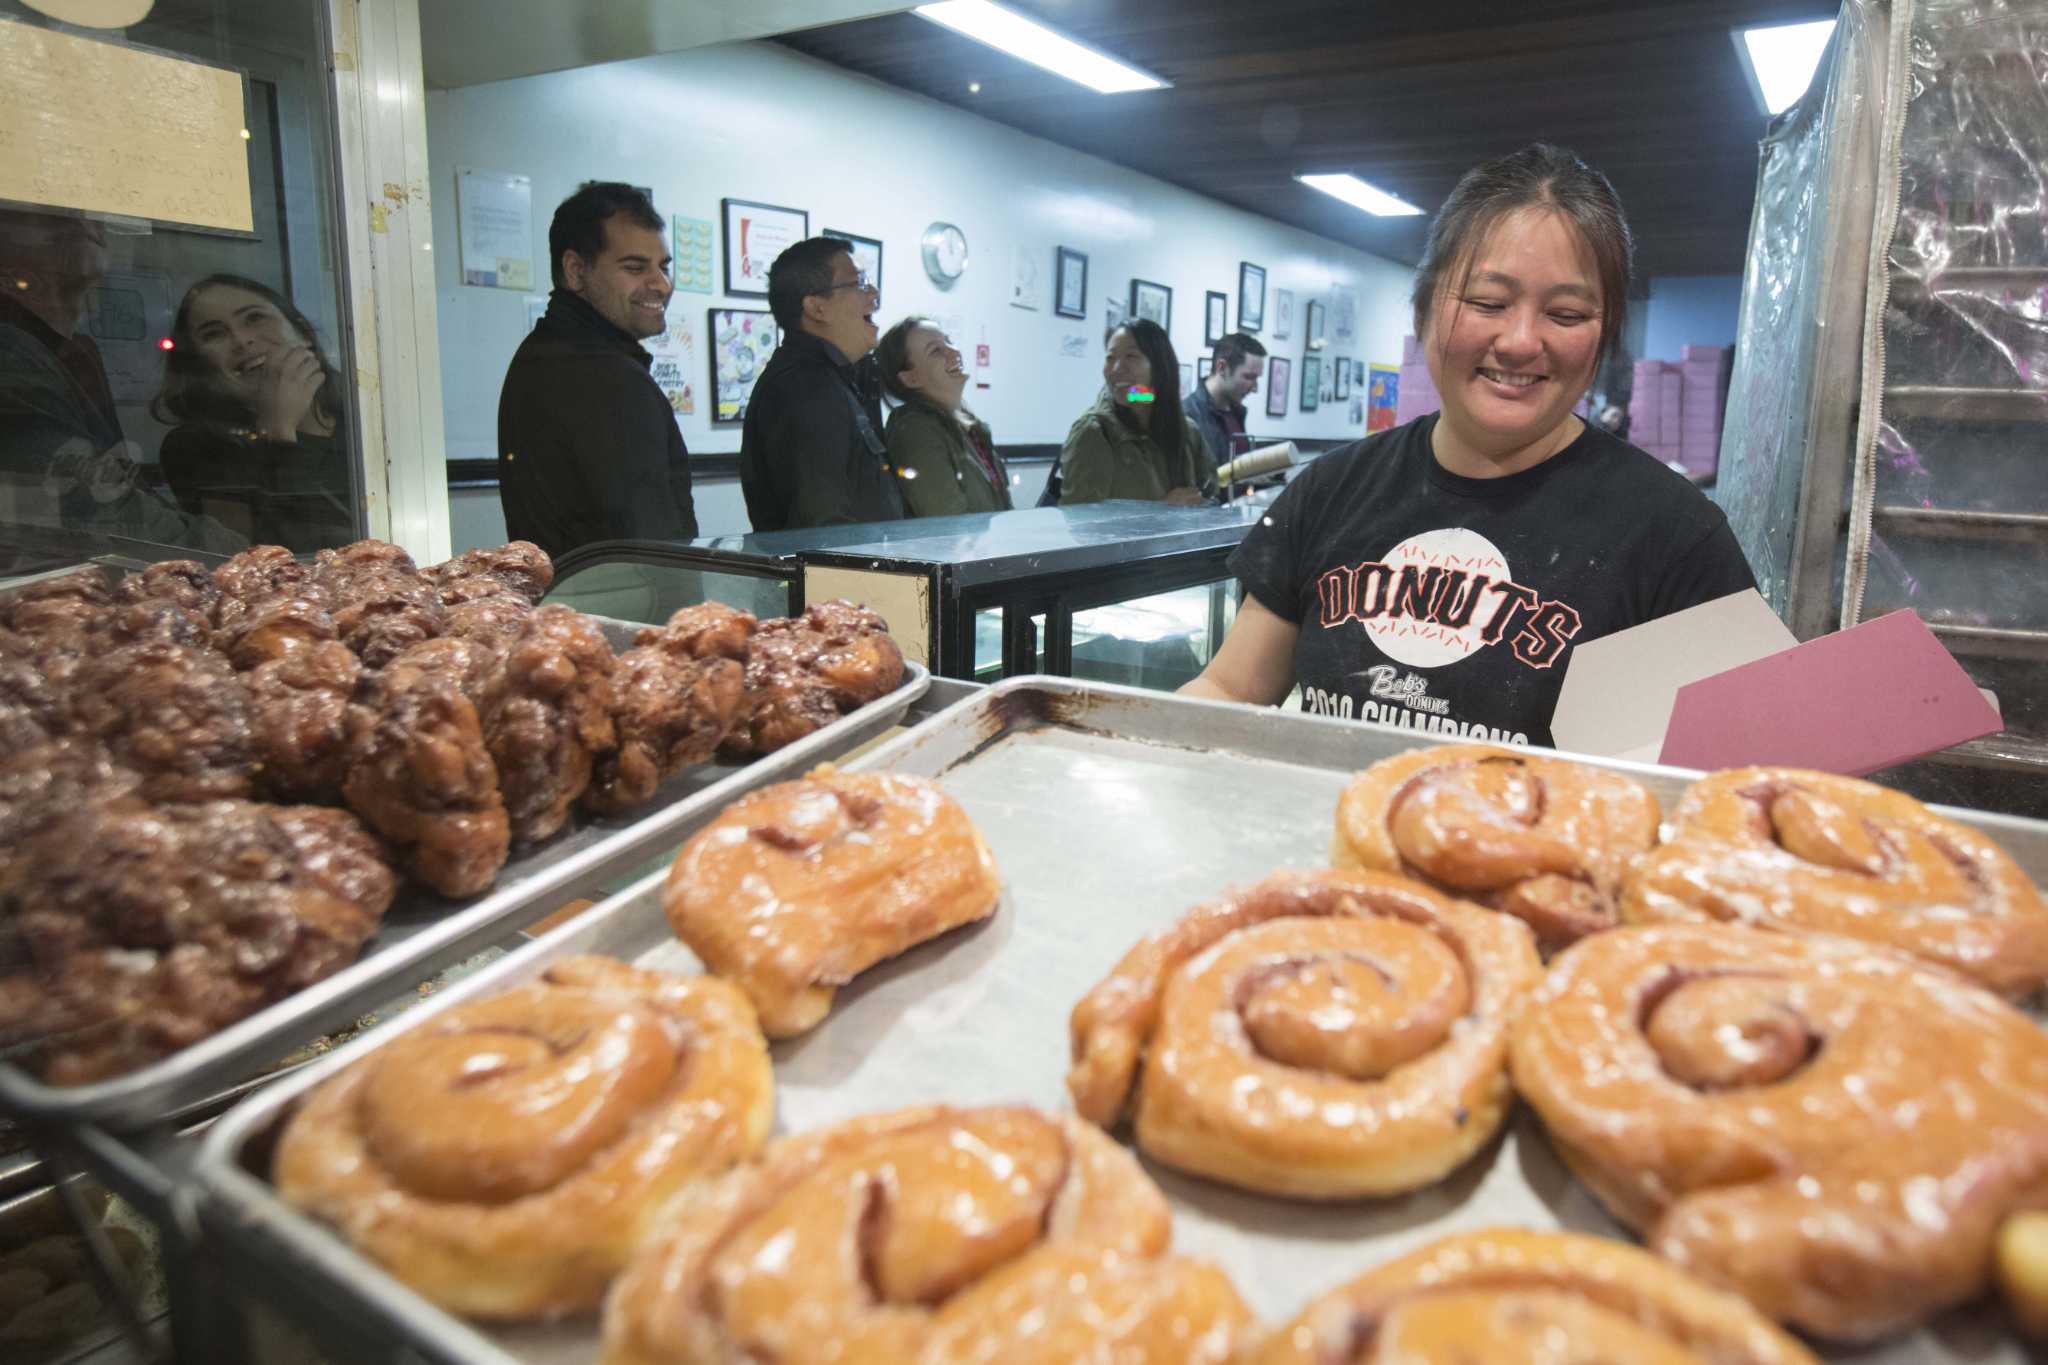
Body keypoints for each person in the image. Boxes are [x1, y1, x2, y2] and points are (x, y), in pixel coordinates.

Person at [1182, 143, 1756, 748]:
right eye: (1488, 303)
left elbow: (1740, 769)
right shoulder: (1329, 491)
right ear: (1425, 309)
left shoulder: (1674, 536)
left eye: (1565, 314)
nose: (1520, 341)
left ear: (1604, 336)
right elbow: (1230, 692)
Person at [0, 209, 230, 569]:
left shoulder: (75, 351)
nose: (80, 219)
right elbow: (94, 505)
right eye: (43, 212)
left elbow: (116, 484)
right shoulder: (11, 350)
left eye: (86, 213)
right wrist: (242, 559)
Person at [497, 182, 696, 559]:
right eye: (635, 267)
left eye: (664, 266)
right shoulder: (604, 375)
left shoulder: (543, 352)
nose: (662, 284)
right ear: (575, 270)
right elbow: (655, 549)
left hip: (571, 605)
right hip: (620, 611)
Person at [153, 273, 356, 547]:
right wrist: (278, 432)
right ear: (200, 364)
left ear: (301, 332)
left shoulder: (363, 413)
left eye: (254, 318)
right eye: (214, 334)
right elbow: (247, 557)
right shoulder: (196, 447)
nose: (241, 340)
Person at [740, 237, 903, 531]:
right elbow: (821, 526)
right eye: (859, 283)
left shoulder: (834, 378)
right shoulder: (805, 388)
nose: (874, 293)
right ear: (817, 308)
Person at [1058, 320, 1213, 506]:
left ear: (1160, 365)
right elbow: (1079, 522)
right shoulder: (1093, 433)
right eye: (1110, 357)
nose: (1116, 369)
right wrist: (1163, 510)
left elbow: (1211, 493)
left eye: (1131, 356)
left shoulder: (1188, 431)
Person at [876, 316, 1012, 517]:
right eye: (936, 351)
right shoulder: (915, 431)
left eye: (948, 341)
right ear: (910, 378)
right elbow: (948, 524)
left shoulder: (967, 425)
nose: (953, 351)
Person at [1185, 331, 1266, 470]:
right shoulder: (1188, 416)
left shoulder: (1237, 413)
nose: (1255, 388)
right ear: (1222, 368)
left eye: (1256, 378)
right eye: (1248, 377)